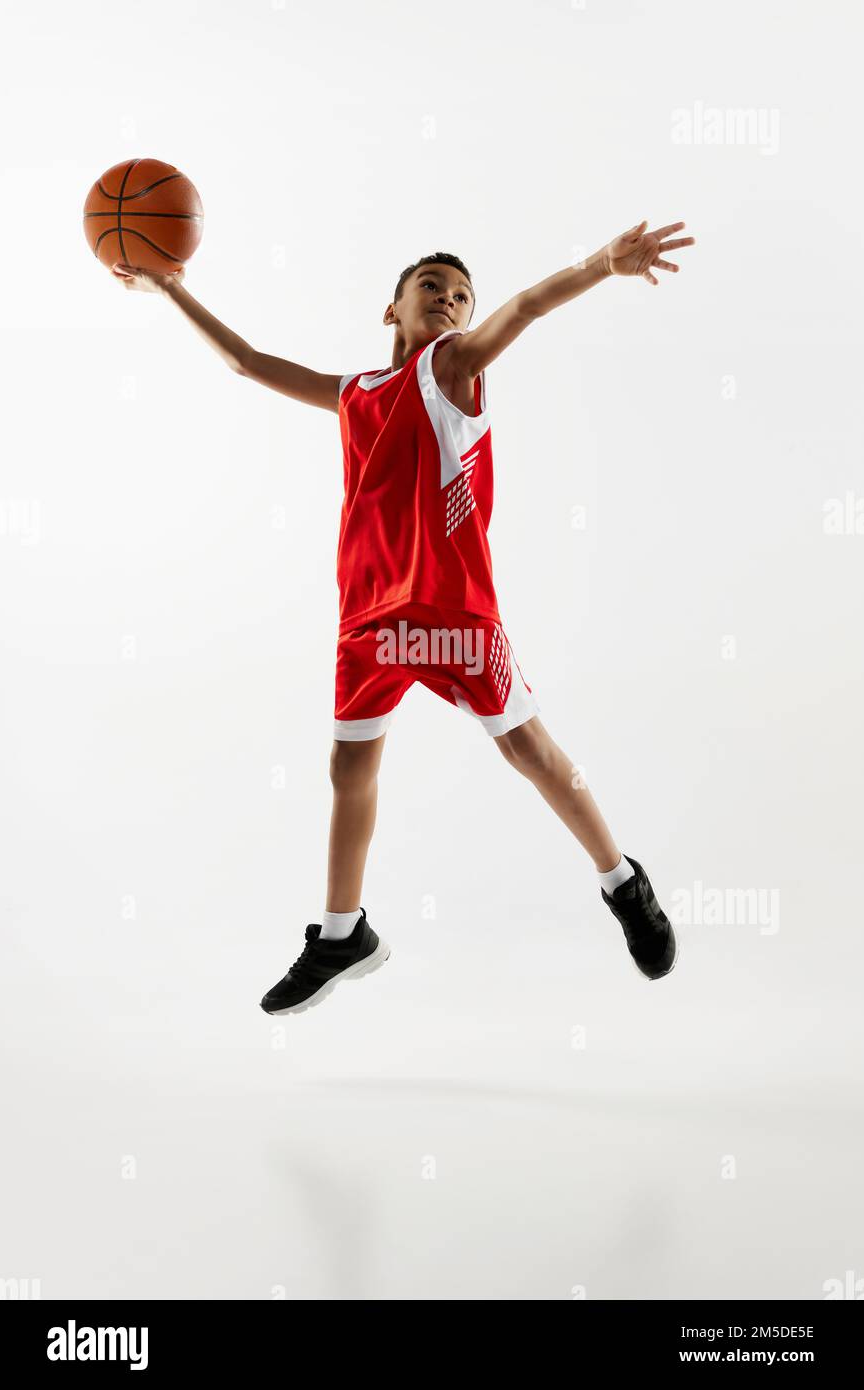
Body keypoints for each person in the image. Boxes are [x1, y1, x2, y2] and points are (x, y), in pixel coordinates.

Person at [113, 218, 695, 1014]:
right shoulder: (356, 393)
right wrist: (173, 287)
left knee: (529, 752)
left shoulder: (451, 367)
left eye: (460, 295)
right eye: (432, 288)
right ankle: (341, 932)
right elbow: (247, 364)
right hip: (369, 619)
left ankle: (622, 881)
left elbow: (522, 307)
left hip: (453, 610)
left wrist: (601, 264)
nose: (450, 302)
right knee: (348, 769)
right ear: (390, 308)